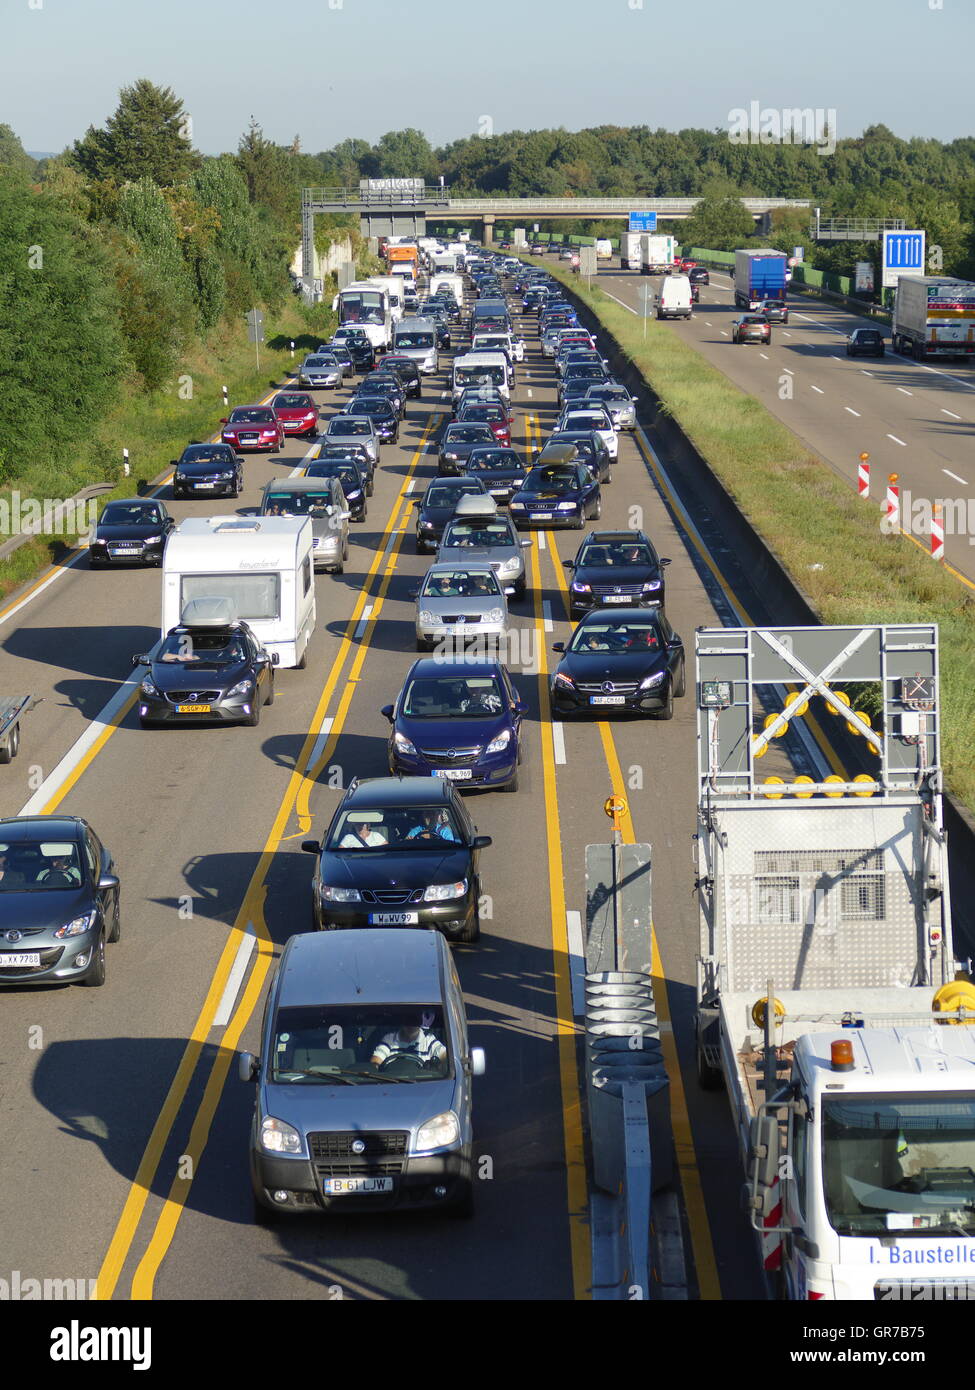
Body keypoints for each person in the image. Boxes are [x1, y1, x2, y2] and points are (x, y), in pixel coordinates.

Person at [370, 1017, 447, 1070]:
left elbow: (446, 1056)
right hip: (391, 1084)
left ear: (420, 1021)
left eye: (415, 1020)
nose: (411, 1024)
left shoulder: (428, 1040)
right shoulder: (389, 1039)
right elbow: (376, 1062)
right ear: (402, 1021)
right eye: (408, 1020)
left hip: (423, 1086)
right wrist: (375, 1068)